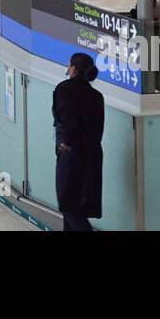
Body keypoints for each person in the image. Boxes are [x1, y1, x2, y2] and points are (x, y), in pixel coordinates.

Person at [52, 51, 104, 232]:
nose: (67, 68)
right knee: (77, 204)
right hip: (92, 154)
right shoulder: (96, 95)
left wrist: (65, 142)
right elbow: (98, 129)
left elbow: (69, 120)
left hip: (72, 154)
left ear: (73, 68)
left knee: (68, 205)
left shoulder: (64, 89)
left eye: (69, 65)